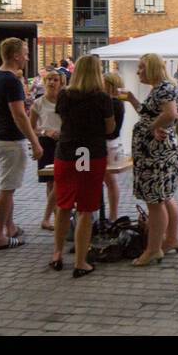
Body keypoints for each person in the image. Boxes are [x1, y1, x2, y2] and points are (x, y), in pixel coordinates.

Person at [48, 56, 115, 277]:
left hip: (66, 152)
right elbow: (109, 128)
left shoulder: (65, 95)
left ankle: (57, 254)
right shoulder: (102, 97)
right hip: (89, 153)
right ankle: (80, 262)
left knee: (64, 204)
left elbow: (62, 119)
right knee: (86, 207)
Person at [0, 37, 42, 251]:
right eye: (25, 53)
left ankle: (11, 227)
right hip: (10, 142)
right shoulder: (11, 81)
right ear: (16, 55)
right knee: (6, 190)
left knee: (7, 188)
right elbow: (19, 115)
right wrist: (34, 142)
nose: (27, 57)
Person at [128, 53, 178, 265]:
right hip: (157, 151)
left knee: (155, 201)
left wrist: (151, 129)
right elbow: (149, 113)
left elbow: (170, 114)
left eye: (141, 68)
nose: (138, 72)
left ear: (151, 68)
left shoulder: (164, 89)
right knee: (165, 197)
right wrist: (133, 99)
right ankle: (171, 239)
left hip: (156, 154)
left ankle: (153, 249)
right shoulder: (160, 88)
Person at [29, 70, 63, 231]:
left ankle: (51, 217)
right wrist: (45, 132)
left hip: (64, 143)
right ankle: (53, 218)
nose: (51, 82)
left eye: (55, 79)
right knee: (50, 181)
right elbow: (31, 127)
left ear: (61, 83)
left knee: (59, 180)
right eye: (49, 79)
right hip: (46, 142)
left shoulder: (65, 101)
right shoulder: (38, 103)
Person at [101, 72, 128, 219]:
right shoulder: (117, 102)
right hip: (111, 143)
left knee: (108, 179)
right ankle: (111, 215)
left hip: (108, 144)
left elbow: (110, 129)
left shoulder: (113, 103)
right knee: (109, 180)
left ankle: (111, 215)